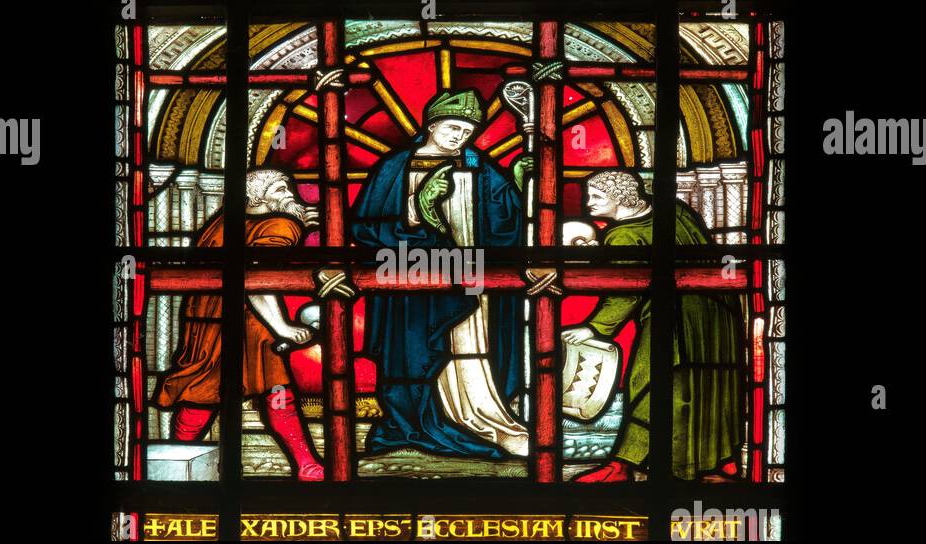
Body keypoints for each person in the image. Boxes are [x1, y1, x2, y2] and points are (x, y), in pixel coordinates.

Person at [351, 89, 532, 459]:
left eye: (466, 131)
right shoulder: (395, 166)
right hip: (406, 277)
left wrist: (517, 184)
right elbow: (363, 229)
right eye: (451, 127)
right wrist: (417, 210)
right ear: (431, 125)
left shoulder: (479, 166)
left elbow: (507, 224)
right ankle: (413, 423)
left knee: (470, 351)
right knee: (411, 353)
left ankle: (476, 417)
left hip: (469, 275)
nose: (458, 136)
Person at [562, 170, 743, 481]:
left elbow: (627, 289)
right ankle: (722, 460)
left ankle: (624, 465)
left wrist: (594, 328)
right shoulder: (674, 210)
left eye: (596, 197)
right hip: (717, 311)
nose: (588, 203)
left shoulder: (621, 236)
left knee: (646, 380)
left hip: (671, 316)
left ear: (620, 199)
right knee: (712, 380)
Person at [154, 169, 325, 481]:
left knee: (202, 389)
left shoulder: (223, 223)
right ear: (257, 198)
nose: (288, 192)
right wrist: (282, 328)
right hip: (249, 321)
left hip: (205, 319)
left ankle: (174, 464)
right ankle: (306, 465)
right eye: (278, 188)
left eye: (286, 185)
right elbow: (255, 278)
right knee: (268, 390)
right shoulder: (280, 224)